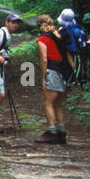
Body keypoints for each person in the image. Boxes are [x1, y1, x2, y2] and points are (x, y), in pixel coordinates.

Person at [34, 13, 71, 144]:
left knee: (47, 103)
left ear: (39, 25)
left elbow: (44, 60)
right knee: (58, 104)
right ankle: (61, 132)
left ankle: (52, 132)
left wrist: (43, 77)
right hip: (65, 72)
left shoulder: (42, 39)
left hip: (53, 70)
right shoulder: (59, 36)